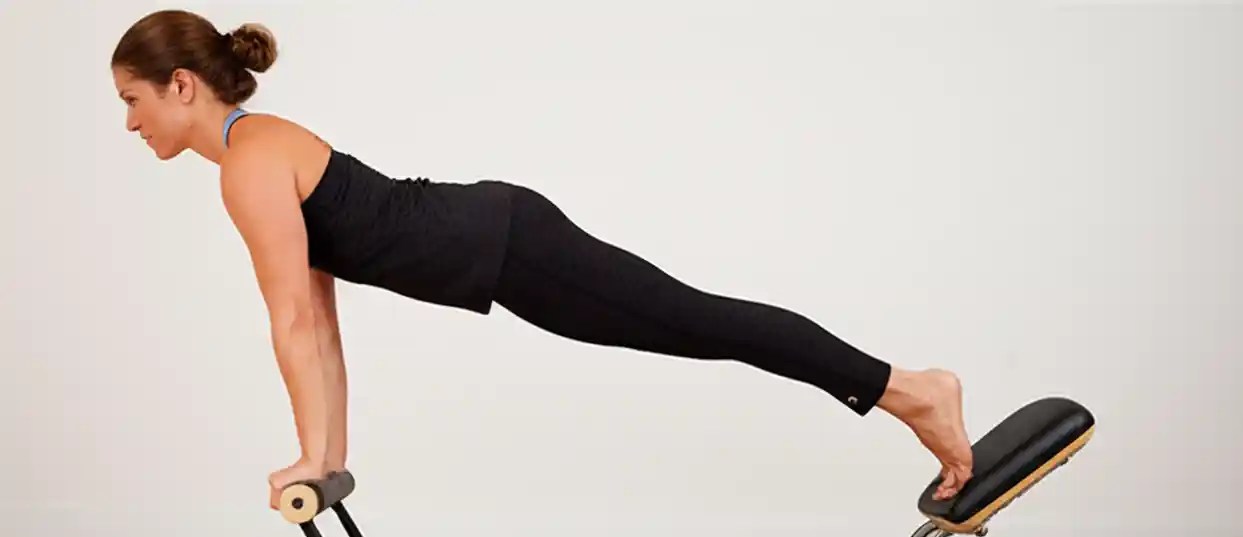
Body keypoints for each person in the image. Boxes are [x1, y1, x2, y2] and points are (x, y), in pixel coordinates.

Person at [110, 10, 974, 510]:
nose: (130, 123)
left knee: (703, 322)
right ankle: (903, 386)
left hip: (507, 245)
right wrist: (325, 455)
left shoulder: (250, 165)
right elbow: (321, 323)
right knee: (700, 322)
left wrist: (311, 455)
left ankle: (909, 388)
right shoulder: (256, 151)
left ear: (182, 85)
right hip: (503, 240)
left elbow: (293, 323)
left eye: (134, 101)